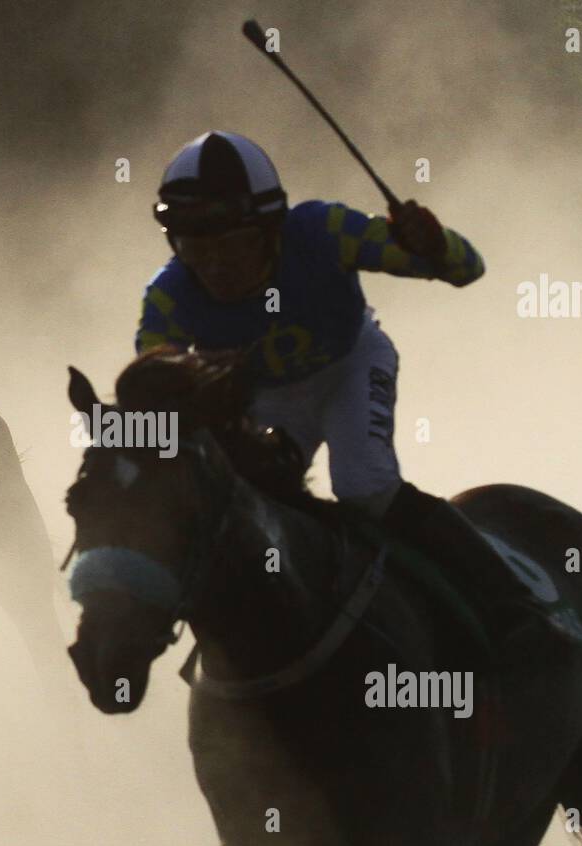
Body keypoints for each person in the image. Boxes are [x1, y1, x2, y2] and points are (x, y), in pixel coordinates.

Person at [138, 130, 549, 642]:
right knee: (248, 506)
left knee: (365, 486)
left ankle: (509, 602)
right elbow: (154, 397)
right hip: (270, 398)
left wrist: (434, 244)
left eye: (235, 244)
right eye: (195, 248)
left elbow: (468, 269)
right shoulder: (167, 296)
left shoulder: (324, 231)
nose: (217, 266)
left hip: (351, 365)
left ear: (272, 229)